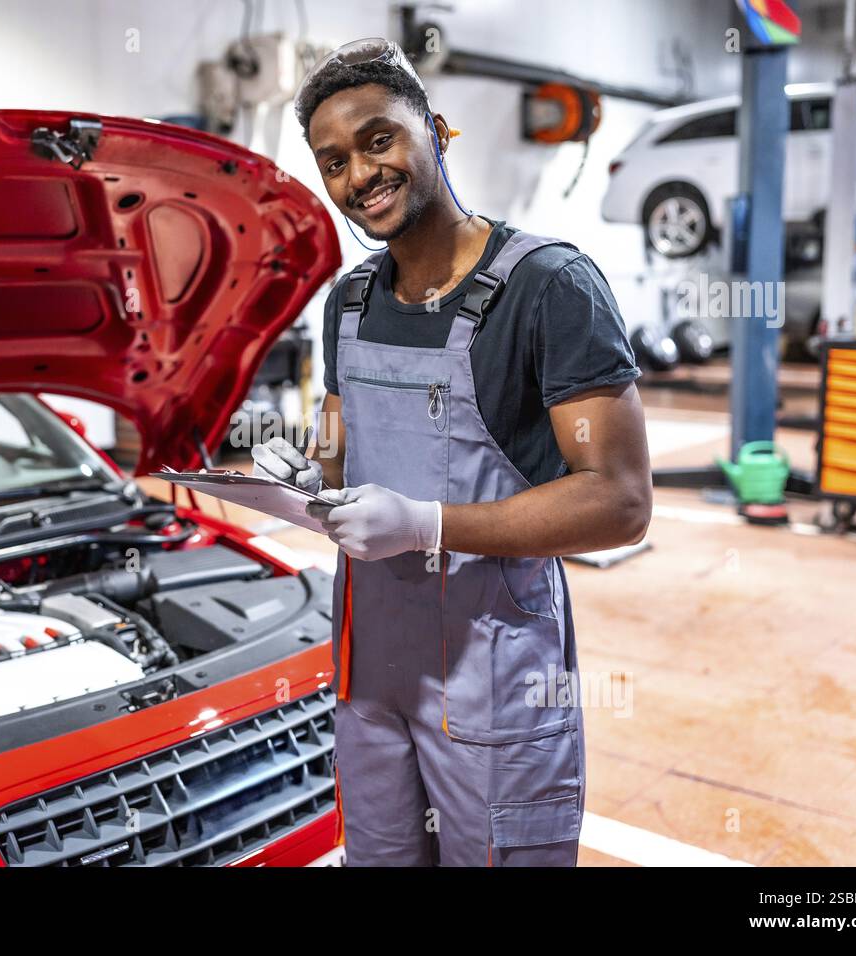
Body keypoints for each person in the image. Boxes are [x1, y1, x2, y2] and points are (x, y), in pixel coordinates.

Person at [250, 39, 652, 866]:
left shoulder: (549, 287)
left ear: (435, 128)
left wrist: (428, 522)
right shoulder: (349, 301)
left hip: (495, 684)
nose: (359, 175)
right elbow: (337, 448)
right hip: (370, 682)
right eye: (334, 162)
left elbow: (619, 500)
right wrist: (300, 469)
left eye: (377, 140)